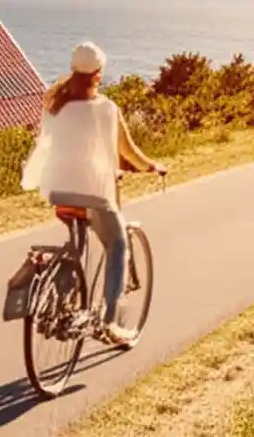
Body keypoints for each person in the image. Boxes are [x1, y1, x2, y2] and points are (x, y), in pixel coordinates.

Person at [22, 41, 166, 346]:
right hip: (95, 193)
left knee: (78, 246)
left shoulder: (55, 104)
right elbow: (130, 153)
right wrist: (153, 166)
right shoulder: (107, 108)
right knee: (117, 246)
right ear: (98, 74)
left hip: (59, 190)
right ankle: (109, 323)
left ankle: (62, 302)